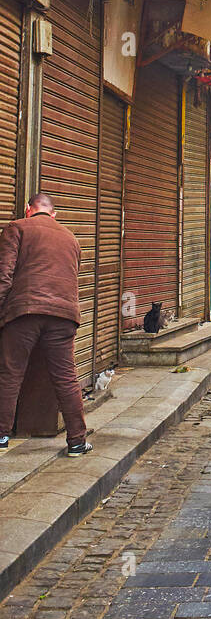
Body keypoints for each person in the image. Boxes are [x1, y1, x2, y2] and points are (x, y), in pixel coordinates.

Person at [0, 192, 91, 456]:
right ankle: (76, 442)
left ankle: (2, 436)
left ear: (29, 209)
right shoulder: (71, 238)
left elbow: (4, 276)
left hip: (25, 311)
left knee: (10, 373)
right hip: (64, 314)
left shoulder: (16, 227)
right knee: (65, 378)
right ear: (54, 214)